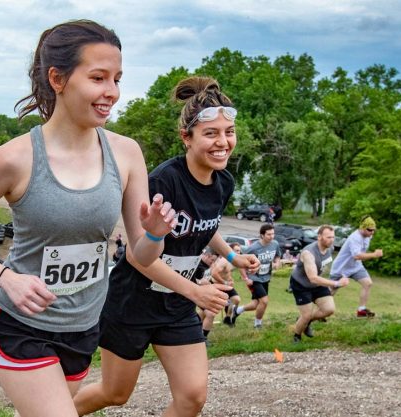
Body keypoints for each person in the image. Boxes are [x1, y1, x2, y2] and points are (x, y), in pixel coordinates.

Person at [0, 20, 177, 417]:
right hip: (19, 322)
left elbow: (143, 255)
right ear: (57, 79)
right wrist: (5, 277)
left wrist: (154, 234)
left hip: (82, 325)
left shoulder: (127, 153)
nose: (112, 92)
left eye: (117, 79)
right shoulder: (13, 159)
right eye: (98, 78)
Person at [73, 76, 259, 417]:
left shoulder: (224, 182)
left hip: (176, 305)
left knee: (192, 397)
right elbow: (137, 255)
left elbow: (206, 225)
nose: (223, 142)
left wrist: (233, 256)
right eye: (211, 133)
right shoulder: (163, 181)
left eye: (229, 132)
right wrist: (196, 292)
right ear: (186, 137)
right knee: (115, 393)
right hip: (133, 302)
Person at [289, 225, 348, 343]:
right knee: (306, 315)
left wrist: (340, 275)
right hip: (301, 285)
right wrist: (336, 283)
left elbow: (323, 266)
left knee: (329, 309)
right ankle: (297, 336)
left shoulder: (330, 248)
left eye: (333, 237)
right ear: (319, 237)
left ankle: (306, 322)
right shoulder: (309, 253)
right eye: (328, 237)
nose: (332, 240)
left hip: (317, 284)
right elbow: (313, 278)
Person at [329, 216, 383, 317]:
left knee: (368, 283)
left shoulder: (368, 236)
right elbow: (357, 256)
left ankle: (361, 310)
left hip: (356, 266)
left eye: (373, 230)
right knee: (331, 290)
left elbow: (360, 255)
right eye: (369, 230)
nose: (372, 232)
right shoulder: (355, 238)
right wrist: (374, 255)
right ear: (362, 227)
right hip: (342, 267)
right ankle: (319, 312)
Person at [231, 224, 283, 328]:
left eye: (273, 234)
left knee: (256, 304)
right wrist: (246, 278)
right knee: (264, 301)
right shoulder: (253, 248)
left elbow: (277, 256)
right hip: (254, 278)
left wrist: (277, 262)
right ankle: (257, 324)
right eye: (269, 234)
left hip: (266, 277)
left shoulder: (275, 244)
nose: (272, 236)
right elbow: (240, 263)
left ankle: (236, 311)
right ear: (262, 235)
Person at [197, 246, 240, 344]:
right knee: (211, 313)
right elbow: (189, 279)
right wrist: (199, 282)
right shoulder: (197, 264)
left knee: (204, 313)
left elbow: (209, 278)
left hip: (206, 292)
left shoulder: (209, 264)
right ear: (207, 255)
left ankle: (197, 333)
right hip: (196, 293)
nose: (213, 263)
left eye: (214, 261)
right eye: (212, 260)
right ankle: (203, 339)